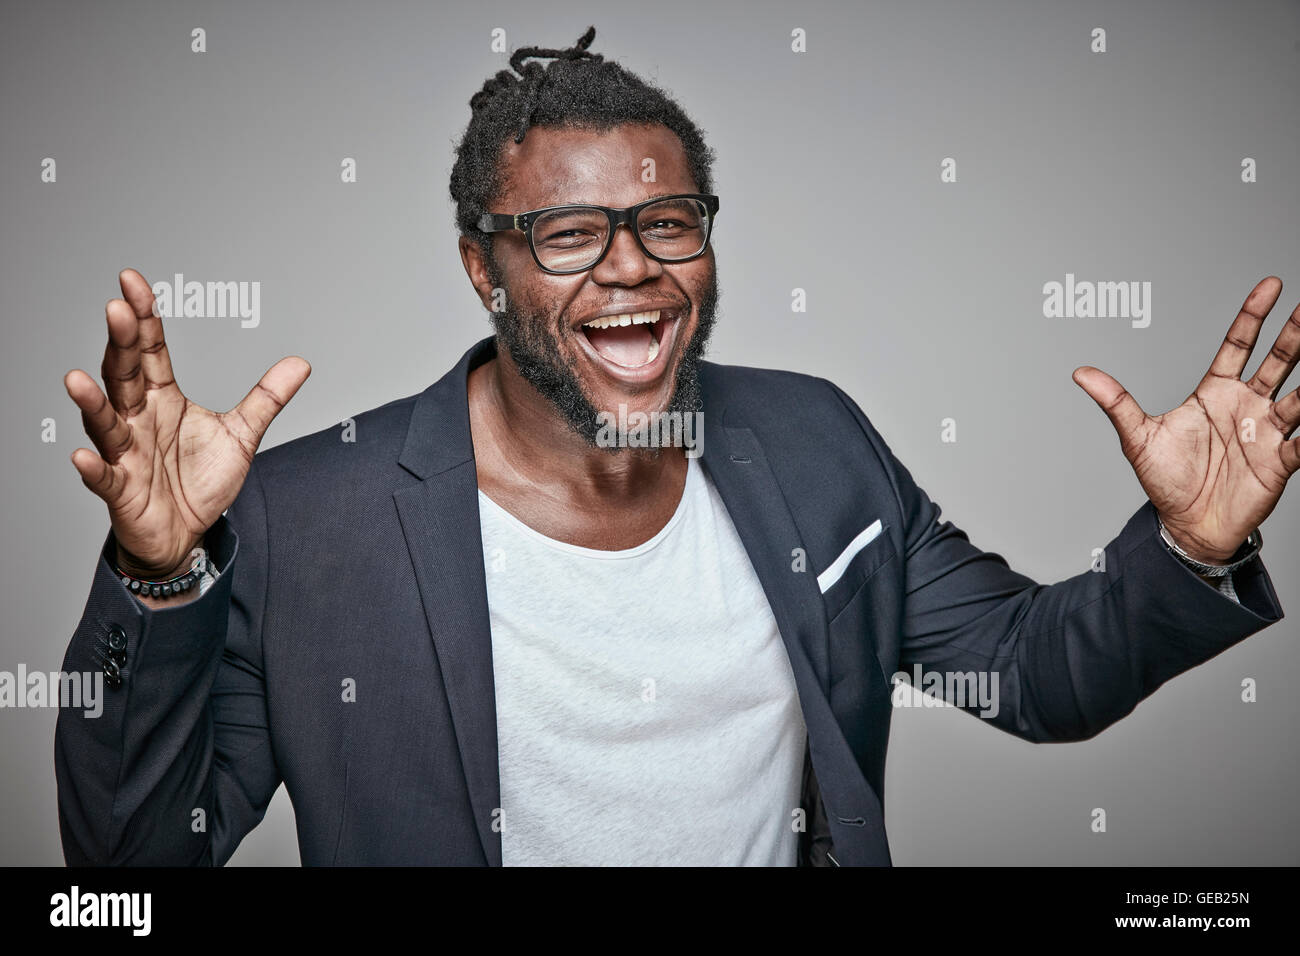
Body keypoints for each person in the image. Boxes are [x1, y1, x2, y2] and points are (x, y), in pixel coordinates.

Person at [55, 27, 1295, 866]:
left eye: (665, 220)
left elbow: (1032, 675)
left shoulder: (813, 441)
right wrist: (159, 575)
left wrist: (1188, 545)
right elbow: (133, 867)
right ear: (482, 268)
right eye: (568, 234)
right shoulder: (303, 512)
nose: (633, 264)